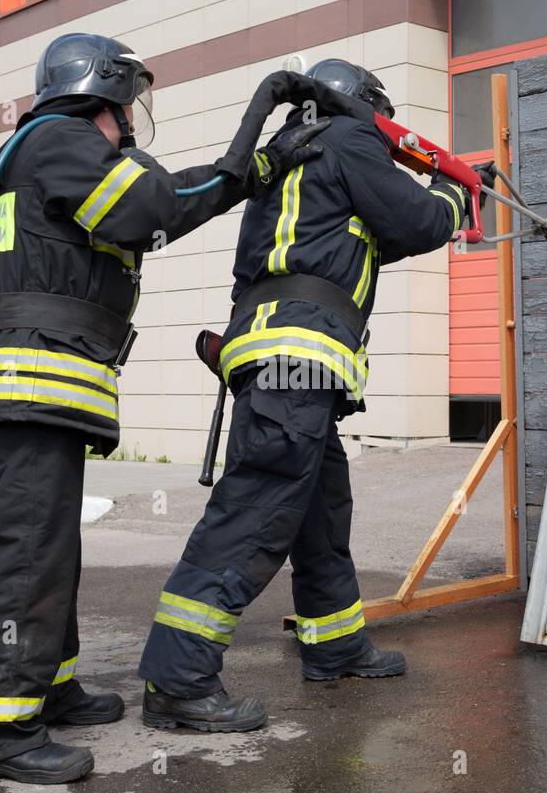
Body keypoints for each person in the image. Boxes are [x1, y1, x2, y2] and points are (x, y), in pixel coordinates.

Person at [0, 34, 330, 784]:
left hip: (43, 385)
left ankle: (49, 685)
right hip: (36, 384)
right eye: (126, 105)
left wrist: (249, 172)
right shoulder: (60, 141)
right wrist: (250, 145)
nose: (131, 121)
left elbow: (162, 206)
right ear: (100, 95)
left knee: (48, 543)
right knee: (27, 550)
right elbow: (154, 209)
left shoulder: (45, 153)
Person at [136, 58, 485, 732]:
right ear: (361, 105)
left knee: (320, 511)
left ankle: (334, 645)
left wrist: (452, 196)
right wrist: (455, 189)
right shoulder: (346, 138)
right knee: (256, 511)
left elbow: (374, 234)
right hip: (296, 358)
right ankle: (177, 680)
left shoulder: (295, 158)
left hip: (282, 358)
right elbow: (415, 219)